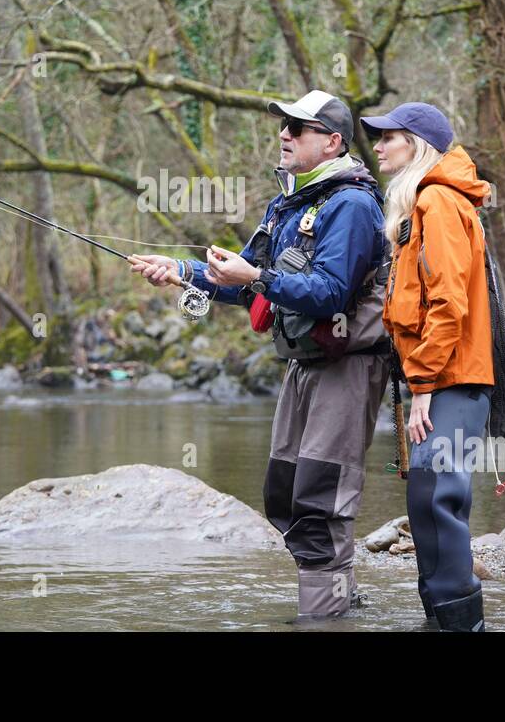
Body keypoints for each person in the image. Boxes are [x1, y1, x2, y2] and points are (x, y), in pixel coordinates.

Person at [129, 89, 390, 623]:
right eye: (283, 126)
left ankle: (323, 618)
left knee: (319, 501)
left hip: (348, 363)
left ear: (333, 142)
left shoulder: (355, 205)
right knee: (283, 493)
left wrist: (260, 278)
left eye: (298, 128)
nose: (284, 135)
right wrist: (180, 271)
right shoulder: (290, 203)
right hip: (302, 363)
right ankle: (344, 604)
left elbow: (331, 292)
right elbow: (242, 280)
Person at [360, 101, 493, 632]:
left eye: (387, 137)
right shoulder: (425, 202)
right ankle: (439, 620)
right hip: (443, 378)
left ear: (415, 143)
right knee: (425, 500)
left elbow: (448, 304)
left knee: (439, 498)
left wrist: (424, 386)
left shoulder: (438, 201)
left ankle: (462, 624)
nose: (378, 146)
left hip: (452, 379)